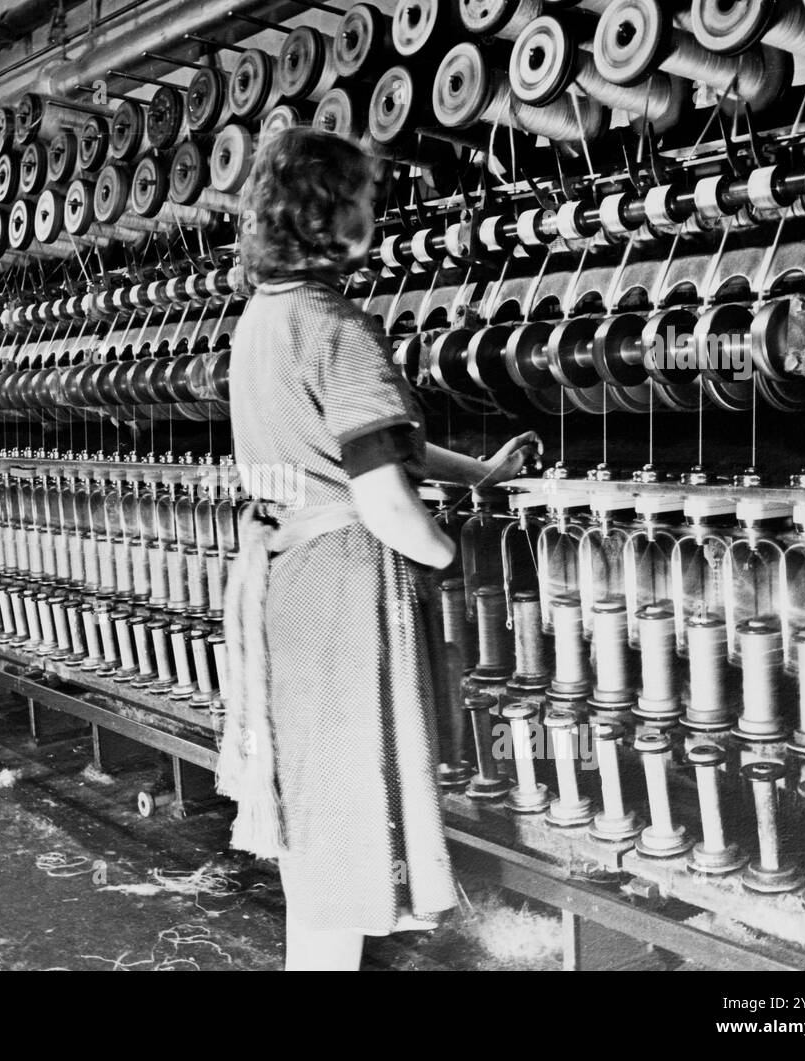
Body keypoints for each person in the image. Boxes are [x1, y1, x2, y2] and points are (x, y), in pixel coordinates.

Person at [220, 127, 542, 971]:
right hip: (343, 595)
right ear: (333, 214)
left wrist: (479, 471)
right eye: (364, 196)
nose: (376, 209)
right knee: (345, 822)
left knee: (317, 820)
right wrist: (454, 555)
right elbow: (385, 500)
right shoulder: (336, 329)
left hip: (290, 581)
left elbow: (364, 442)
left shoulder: (264, 317)